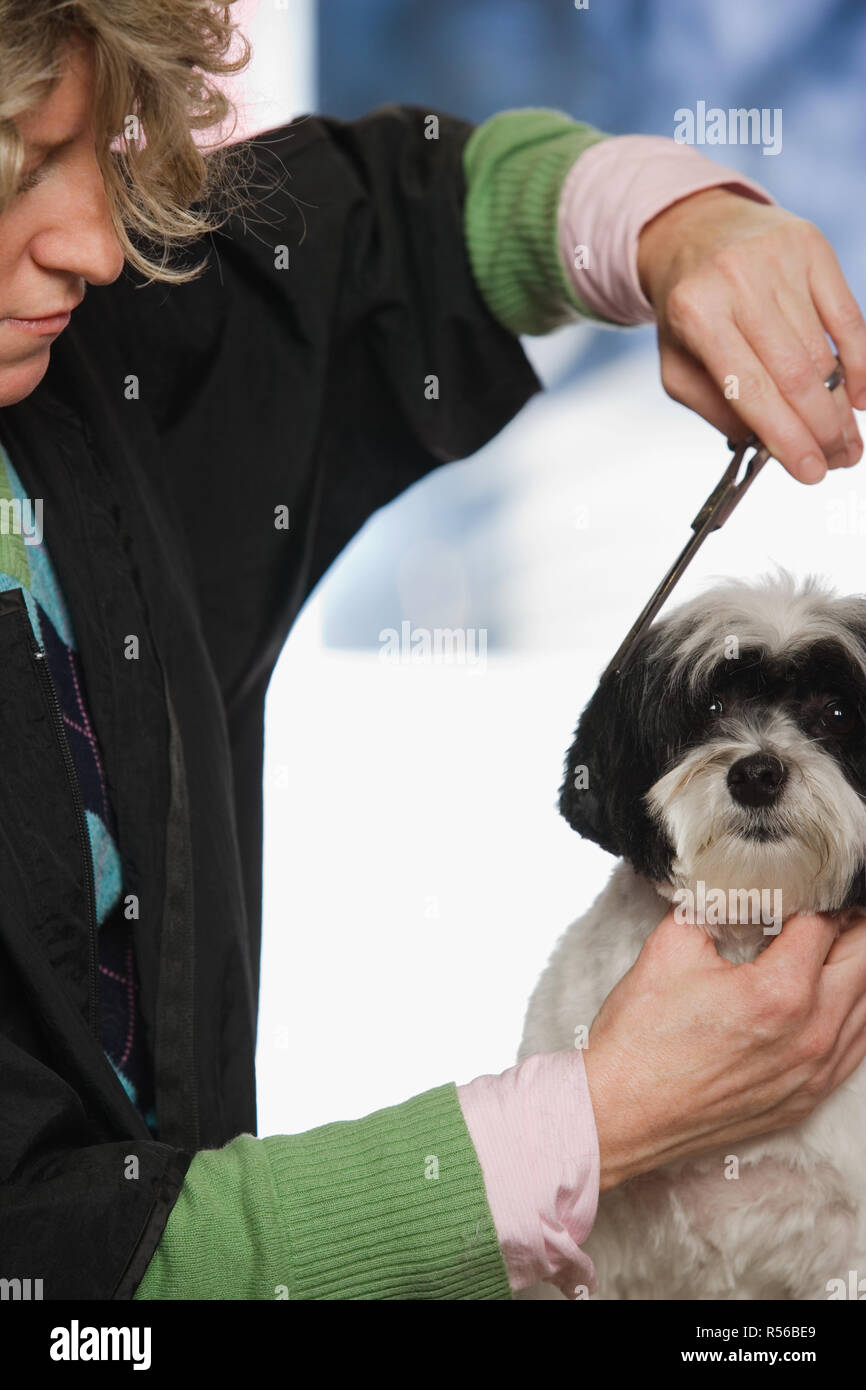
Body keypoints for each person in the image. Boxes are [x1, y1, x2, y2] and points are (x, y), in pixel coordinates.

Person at [1, 0, 866, 1302]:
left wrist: (675, 225)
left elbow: (386, 218)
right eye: (15, 169)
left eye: (105, 158)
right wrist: (592, 1124)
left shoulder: (108, 350)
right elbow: (46, 1251)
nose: (94, 244)